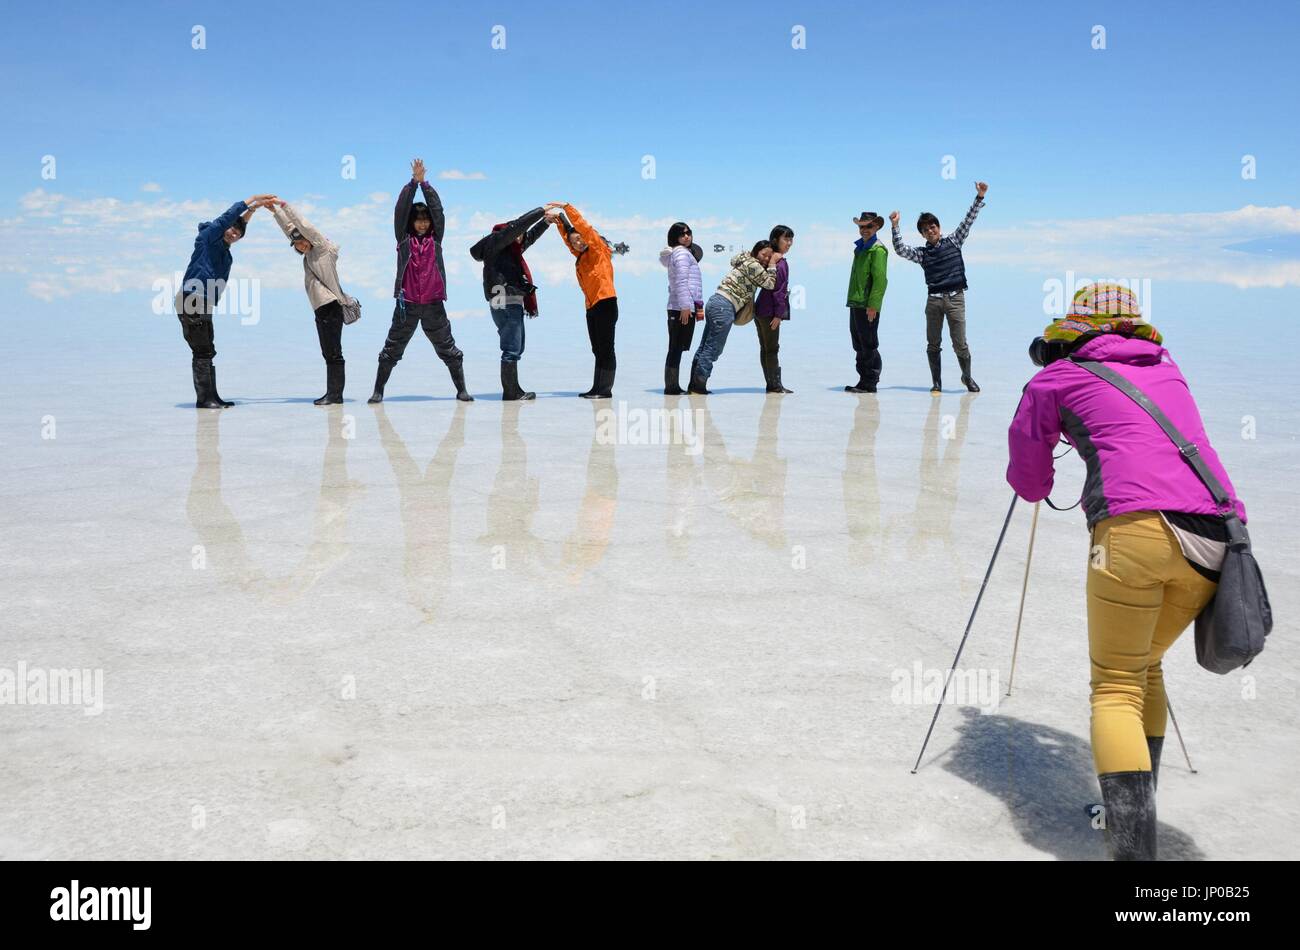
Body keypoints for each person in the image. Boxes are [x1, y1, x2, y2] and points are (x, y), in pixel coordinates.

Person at [1006, 282, 1247, 861]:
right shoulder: (1168, 366)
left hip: (1135, 534)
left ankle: (1134, 857)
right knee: (1146, 669)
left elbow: (1029, 478)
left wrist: (1046, 465)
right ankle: (1133, 814)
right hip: (1218, 535)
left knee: (1115, 688)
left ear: (1072, 327)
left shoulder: (1053, 378)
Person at [368, 158, 471, 404]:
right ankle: (378, 391)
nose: (423, 223)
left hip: (434, 304)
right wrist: (413, 183)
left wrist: (425, 185)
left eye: (426, 219)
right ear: (411, 222)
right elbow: (400, 210)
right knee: (391, 350)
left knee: (449, 350)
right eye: (418, 219)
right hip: (407, 305)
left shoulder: (436, 240)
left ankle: (462, 390)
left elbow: (438, 210)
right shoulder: (404, 239)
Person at [176, 193, 277, 408]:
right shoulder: (207, 238)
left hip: (202, 301)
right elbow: (227, 218)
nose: (234, 233)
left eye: (239, 233)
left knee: (207, 349)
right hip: (191, 299)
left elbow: (237, 223)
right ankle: (204, 399)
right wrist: (251, 200)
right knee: (202, 350)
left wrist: (252, 212)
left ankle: (211, 397)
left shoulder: (224, 250)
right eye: (232, 229)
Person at [890, 181, 988, 394]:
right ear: (922, 235)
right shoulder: (922, 254)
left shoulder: (954, 241)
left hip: (955, 299)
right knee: (933, 343)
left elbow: (968, 220)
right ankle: (937, 383)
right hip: (933, 300)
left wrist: (979, 197)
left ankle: (967, 377)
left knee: (960, 343)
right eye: (925, 230)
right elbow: (899, 249)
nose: (930, 230)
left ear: (939, 227)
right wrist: (895, 226)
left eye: (932, 226)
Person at [270, 200, 350, 405]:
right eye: (296, 244)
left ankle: (335, 395)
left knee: (333, 352)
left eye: (303, 241)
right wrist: (275, 212)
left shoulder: (321, 249)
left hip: (331, 307)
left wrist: (285, 206)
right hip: (322, 309)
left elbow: (304, 225)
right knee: (328, 351)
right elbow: (292, 230)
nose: (300, 245)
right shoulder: (307, 256)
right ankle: (333, 394)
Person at [469, 206, 549, 400]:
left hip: (508, 299)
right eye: (518, 234)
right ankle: (511, 392)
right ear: (510, 232)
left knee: (516, 346)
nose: (521, 238)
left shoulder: (509, 249)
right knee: (511, 347)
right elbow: (519, 227)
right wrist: (541, 211)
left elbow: (529, 236)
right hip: (504, 298)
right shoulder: (498, 241)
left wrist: (545, 222)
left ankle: (513, 390)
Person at [546, 201, 618, 399]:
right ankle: (597, 388)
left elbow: (584, 228)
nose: (577, 243)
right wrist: (559, 222)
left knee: (606, 348)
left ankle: (605, 390)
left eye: (580, 239)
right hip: (592, 306)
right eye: (574, 241)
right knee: (597, 349)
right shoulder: (581, 256)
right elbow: (568, 238)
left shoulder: (598, 250)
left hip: (605, 302)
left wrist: (567, 208)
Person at [688, 242, 779, 395]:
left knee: (705, 346)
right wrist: (772, 263)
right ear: (756, 251)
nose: (766, 258)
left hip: (716, 302)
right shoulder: (753, 265)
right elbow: (770, 284)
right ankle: (698, 386)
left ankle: (694, 384)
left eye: (769, 256)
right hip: (725, 306)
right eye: (764, 254)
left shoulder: (744, 260)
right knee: (713, 349)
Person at [658, 222, 705, 395]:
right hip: (680, 308)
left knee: (676, 347)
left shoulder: (680, 254)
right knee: (675, 348)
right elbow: (681, 281)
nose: (687, 236)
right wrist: (686, 306)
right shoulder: (682, 254)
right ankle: (671, 387)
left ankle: (673, 386)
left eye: (689, 233)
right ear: (675, 237)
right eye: (682, 234)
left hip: (680, 307)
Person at [845, 212, 889, 393]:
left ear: (876, 227)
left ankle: (870, 382)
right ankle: (863, 380)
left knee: (869, 343)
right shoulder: (860, 248)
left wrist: (873, 306)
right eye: (861, 227)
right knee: (858, 343)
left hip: (867, 305)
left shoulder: (877, 250)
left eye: (868, 226)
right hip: (856, 302)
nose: (864, 230)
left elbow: (880, 280)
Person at [754, 225, 795, 393]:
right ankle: (775, 386)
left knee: (765, 348)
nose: (790, 243)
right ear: (775, 240)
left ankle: (771, 384)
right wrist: (779, 314)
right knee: (771, 349)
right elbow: (779, 291)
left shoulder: (768, 260)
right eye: (786, 239)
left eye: (791, 239)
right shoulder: (781, 263)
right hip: (770, 312)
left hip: (760, 310)